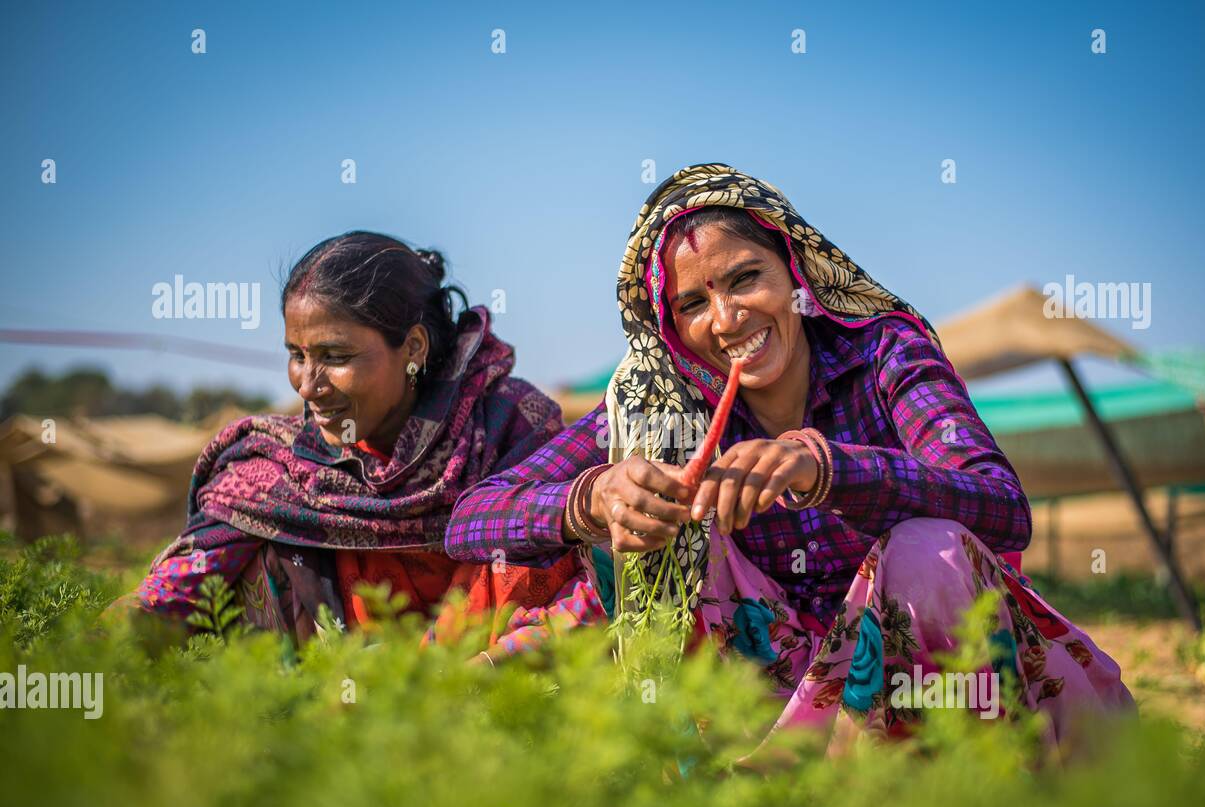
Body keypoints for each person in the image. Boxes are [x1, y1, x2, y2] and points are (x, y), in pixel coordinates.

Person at [445, 164, 1135, 758]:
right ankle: (716, 781)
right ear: (670, 325)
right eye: (692, 303)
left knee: (930, 548)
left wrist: (827, 467)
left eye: (746, 278)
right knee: (654, 536)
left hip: (925, 683)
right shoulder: (658, 406)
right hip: (766, 701)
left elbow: (1000, 506)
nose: (727, 319)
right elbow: (470, 518)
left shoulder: (884, 355)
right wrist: (591, 498)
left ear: (797, 274)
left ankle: (946, 792)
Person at [124, 231, 585, 658]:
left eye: (335, 357)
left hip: (484, 683)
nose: (307, 385)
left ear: (414, 348)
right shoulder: (277, 468)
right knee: (270, 548)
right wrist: (94, 649)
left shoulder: (506, 425)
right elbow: (178, 589)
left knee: (527, 547)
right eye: (297, 356)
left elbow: (578, 584)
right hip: (335, 698)